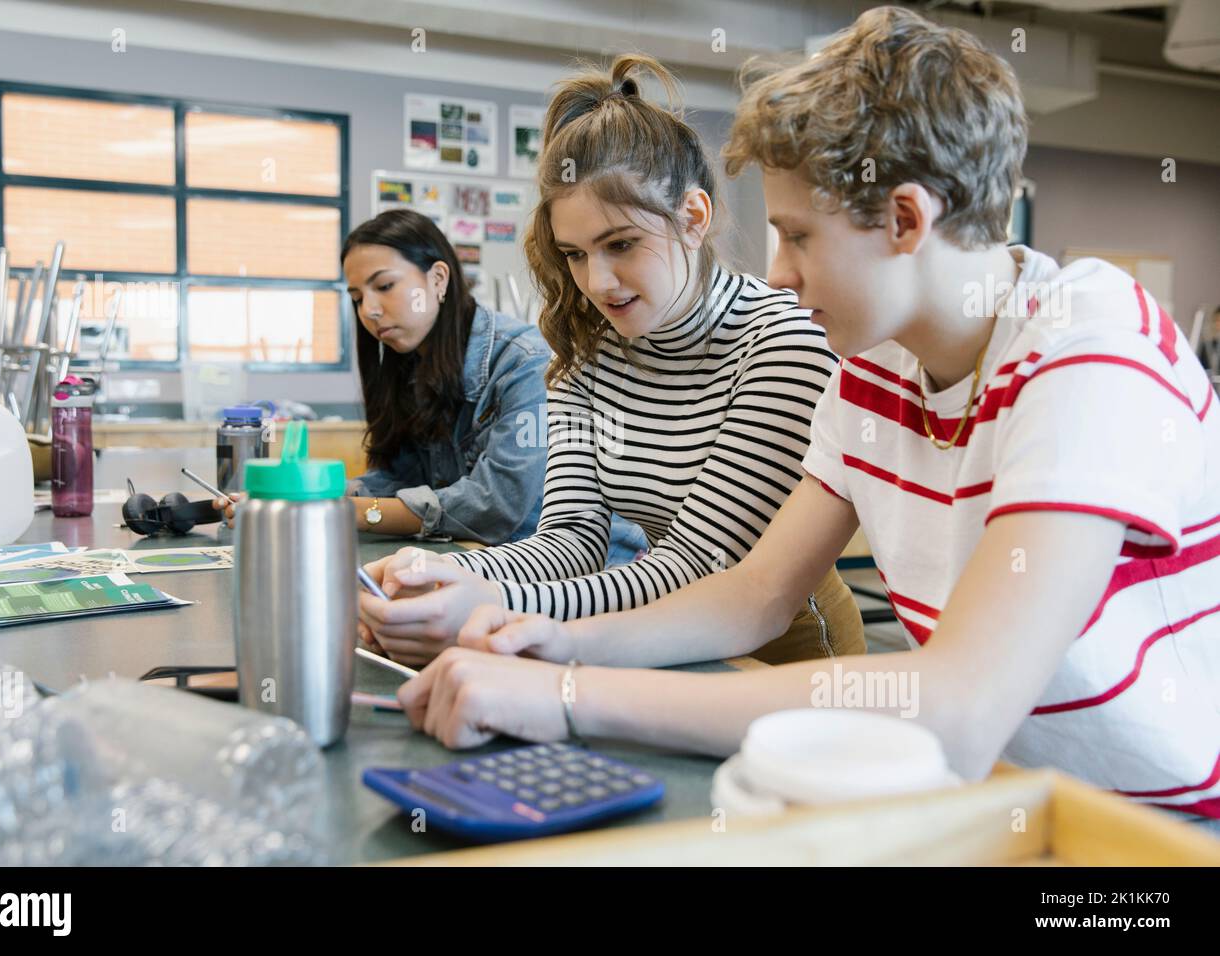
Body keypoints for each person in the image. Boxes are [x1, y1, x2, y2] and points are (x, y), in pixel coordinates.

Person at [395, 7, 1220, 824]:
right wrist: (554, 640)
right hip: (1005, 797)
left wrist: (569, 696)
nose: (779, 275)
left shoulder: (1089, 346)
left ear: (904, 220)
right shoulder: (874, 366)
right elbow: (752, 596)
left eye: (798, 237)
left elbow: (957, 712)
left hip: (1164, 827)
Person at [357, 54, 865, 668]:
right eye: (574, 254)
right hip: (641, 635)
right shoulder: (587, 350)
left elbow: (698, 565)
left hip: (781, 653)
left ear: (693, 217)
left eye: (621, 244)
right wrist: (438, 570)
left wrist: (492, 600)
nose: (598, 282)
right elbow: (568, 541)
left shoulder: (783, 343)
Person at [216, 208, 550, 546]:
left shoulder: (526, 361)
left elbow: (494, 505)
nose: (369, 310)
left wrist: (339, 509)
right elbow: (396, 479)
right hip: (464, 559)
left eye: (385, 286)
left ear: (437, 279)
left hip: (541, 578)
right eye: (358, 298)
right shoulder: (410, 365)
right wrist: (295, 497)